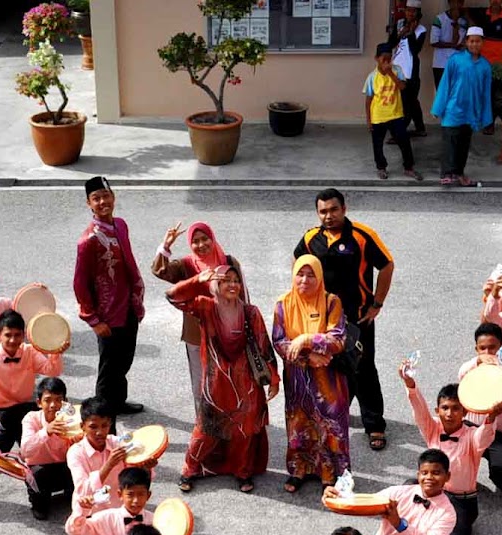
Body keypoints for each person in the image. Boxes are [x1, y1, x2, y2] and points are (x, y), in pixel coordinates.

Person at [294, 189, 395, 452]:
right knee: (329, 368)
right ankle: (334, 416)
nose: (329, 215)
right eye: (323, 211)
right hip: (324, 320)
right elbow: (298, 263)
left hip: (358, 318)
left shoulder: (362, 236)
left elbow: (387, 265)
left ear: (344, 208)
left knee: (363, 368)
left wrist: (377, 304)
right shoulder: (310, 237)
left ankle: (374, 425)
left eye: (333, 209)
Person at [166, 264, 277, 493]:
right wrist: (197, 280)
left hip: (246, 384)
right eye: (226, 280)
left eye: (236, 280)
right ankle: (190, 468)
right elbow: (173, 297)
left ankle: (242, 471)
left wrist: (274, 379)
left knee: (244, 430)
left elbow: (264, 346)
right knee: (205, 430)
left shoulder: (251, 312)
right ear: (216, 284)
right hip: (216, 383)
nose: (232, 285)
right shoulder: (205, 307)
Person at [272, 255, 351, 493]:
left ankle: (330, 473)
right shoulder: (282, 304)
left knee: (331, 426)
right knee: (299, 425)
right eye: (300, 274)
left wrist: (306, 339)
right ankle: (299, 470)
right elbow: (279, 341)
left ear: (319, 277)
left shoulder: (331, 302)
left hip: (328, 380)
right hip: (298, 380)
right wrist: (308, 357)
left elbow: (338, 339)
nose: (304, 279)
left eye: (311, 274)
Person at [401, 370, 502, 535]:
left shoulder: (471, 436)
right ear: (437, 410)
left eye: (456, 408)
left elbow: (485, 436)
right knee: (407, 488)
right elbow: (420, 411)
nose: (449, 413)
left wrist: (492, 416)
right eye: (445, 408)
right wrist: (410, 383)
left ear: (464, 413)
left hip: (461, 499)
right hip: (432, 490)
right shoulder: (432, 428)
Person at [151, 221, 245, 407]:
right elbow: (159, 271)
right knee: (201, 383)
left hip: (227, 333)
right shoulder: (186, 265)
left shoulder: (229, 262)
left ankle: (229, 423)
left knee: (228, 380)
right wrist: (166, 245)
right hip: (197, 334)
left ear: (212, 238)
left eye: (205, 239)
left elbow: (243, 297)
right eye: (195, 241)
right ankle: (205, 425)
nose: (201, 245)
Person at [73, 176, 146, 415]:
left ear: (113, 197)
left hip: (128, 306)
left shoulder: (121, 225)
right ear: (88, 204)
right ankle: (103, 416)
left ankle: (118, 401)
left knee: (124, 359)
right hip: (107, 313)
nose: (103, 202)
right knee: (109, 366)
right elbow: (80, 283)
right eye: (96, 198)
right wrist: (93, 319)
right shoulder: (87, 240)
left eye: (106, 196)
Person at [0, 309, 63, 453]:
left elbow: (52, 371)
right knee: (16, 419)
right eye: (8, 335)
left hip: (22, 407)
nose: (12, 340)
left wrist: (56, 351)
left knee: (43, 412)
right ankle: (8, 452)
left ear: (23, 336)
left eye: (17, 335)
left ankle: (5, 454)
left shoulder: (30, 351)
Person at [454, 322, 502, 492]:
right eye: (482, 348)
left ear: (501, 347)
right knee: (448, 464)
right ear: (476, 349)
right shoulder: (471, 368)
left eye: (492, 348)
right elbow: (461, 374)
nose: (487, 354)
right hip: (472, 430)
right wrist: (478, 361)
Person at [430, 26, 492, 186]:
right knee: (450, 142)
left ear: (482, 43)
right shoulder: (455, 60)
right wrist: (438, 108)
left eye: (478, 41)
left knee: (464, 145)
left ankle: (459, 173)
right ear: (466, 42)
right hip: (453, 109)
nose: (474, 44)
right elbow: (445, 85)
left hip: (471, 111)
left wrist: (486, 117)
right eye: (471, 41)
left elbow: (486, 93)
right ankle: (447, 173)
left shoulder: (485, 66)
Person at [65, 398, 139, 511]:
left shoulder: (117, 443)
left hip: (118, 509)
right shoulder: (75, 453)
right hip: (90, 511)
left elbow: (134, 479)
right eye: (93, 427)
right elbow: (84, 490)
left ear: (110, 424)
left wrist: (146, 467)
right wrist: (109, 465)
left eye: (104, 426)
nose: (100, 432)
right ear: (82, 426)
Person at [20, 377, 78, 520]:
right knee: (38, 475)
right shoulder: (31, 419)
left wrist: (79, 441)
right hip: (40, 470)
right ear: (39, 403)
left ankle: (71, 491)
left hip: (65, 466)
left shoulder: (74, 419)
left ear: (66, 402)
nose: (53, 405)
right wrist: (46, 431)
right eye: (48, 400)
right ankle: (38, 501)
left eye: (59, 400)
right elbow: (25, 450)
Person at [364, 43, 421, 181]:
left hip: (396, 114)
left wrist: (390, 73)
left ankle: (409, 167)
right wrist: (369, 120)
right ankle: (381, 167)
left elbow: (402, 87)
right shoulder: (372, 77)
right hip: (378, 116)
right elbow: (368, 100)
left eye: (389, 58)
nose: (387, 61)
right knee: (377, 144)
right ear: (376, 58)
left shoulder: (397, 70)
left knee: (404, 141)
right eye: (383, 58)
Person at [474, 0, 502, 134]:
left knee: (494, 95)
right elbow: (464, 12)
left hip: (499, 66)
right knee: (479, 92)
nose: (495, 1)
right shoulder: (481, 14)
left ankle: (489, 124)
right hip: (481, 63)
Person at [388, 0, 428, 137]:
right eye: (408, 10)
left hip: (410, 70)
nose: (410, 13)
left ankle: (399, 133)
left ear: (418, 13)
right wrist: (400, 34)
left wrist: (410, 33)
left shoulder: (421, 30)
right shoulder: (399, 24)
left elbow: (415, 50)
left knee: (408, 102)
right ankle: (420, 128)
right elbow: (390, 44)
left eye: (413, 11)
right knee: (410, 100)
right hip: (397, 68)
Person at [429, 0, 467, 88]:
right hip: (440, 63)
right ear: (449, 3)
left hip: (458, 63)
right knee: (441, 93)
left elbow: (458, 41)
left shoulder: (463, 21)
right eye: (454, 2)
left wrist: (456, 22)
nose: (456, 5)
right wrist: (452, 45)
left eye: (459, 2)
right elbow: (434, 41)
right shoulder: (439, 19)